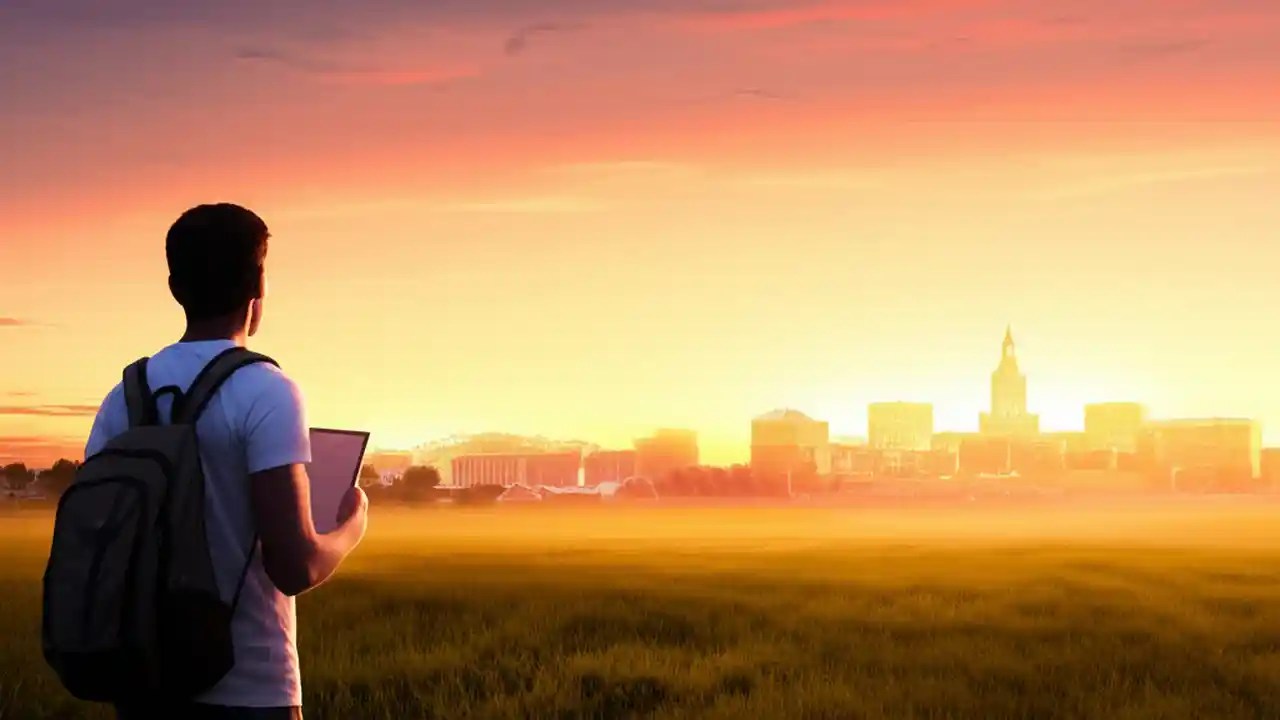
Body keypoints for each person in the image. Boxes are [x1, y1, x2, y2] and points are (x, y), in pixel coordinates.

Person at [84, 203, 368, 719]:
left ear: (174, 287)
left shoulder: (124, 395)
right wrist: (351, 527)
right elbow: (295, 565)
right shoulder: (266, 390)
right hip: (249, 687)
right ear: (259, 286)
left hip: (142, 682)